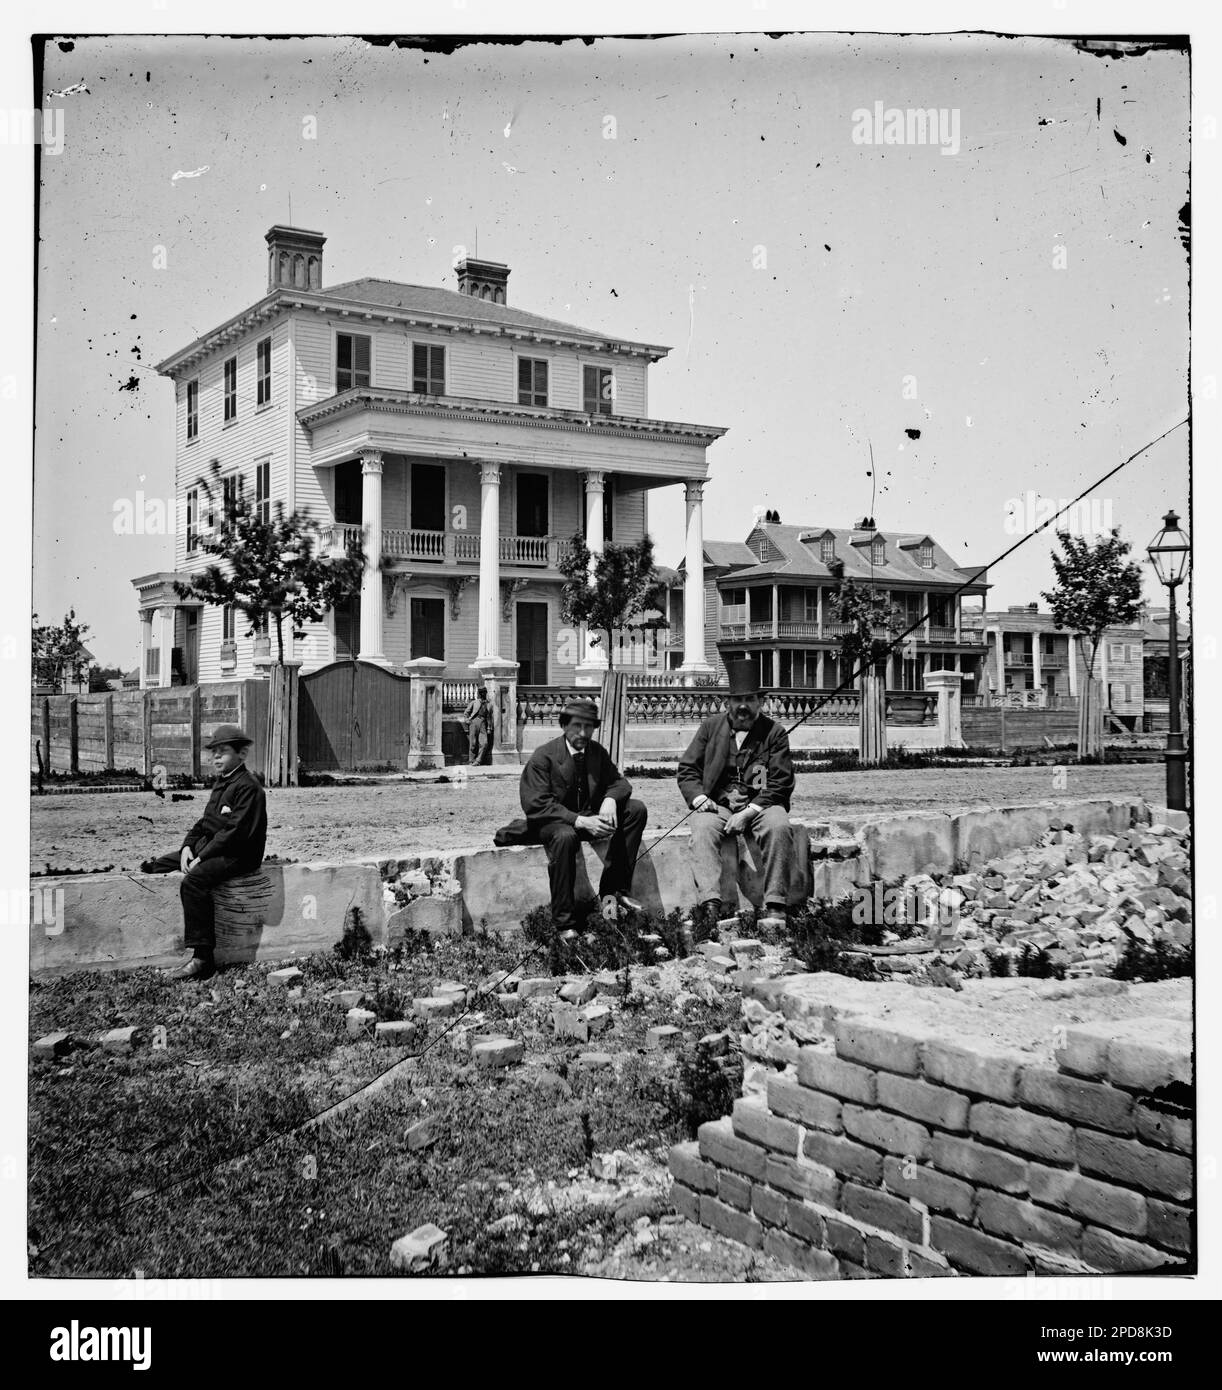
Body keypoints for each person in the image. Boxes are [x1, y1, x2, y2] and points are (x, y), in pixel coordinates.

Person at [677, 660, 796, 935]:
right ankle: (710, 905)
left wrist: (749, 812)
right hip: (718, 805)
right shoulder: (710, 728)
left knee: (779, 826)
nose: (743, 706)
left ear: (759, 702)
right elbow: (687, 769)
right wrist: (698, 799)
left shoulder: (774, 733)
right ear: (727, 703)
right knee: (702, 828)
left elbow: (781, 780)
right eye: (738, 700)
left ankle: (776, 905)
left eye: (749, 699)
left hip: (762, 804)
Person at [141, 724, 268, 981]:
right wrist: (188, 848)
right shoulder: (223, 783)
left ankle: (202, 959)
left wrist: (201, 857)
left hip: (239, 855)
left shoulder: (248, 787)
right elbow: (204, 823)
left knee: (195, 882)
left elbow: (235, 832)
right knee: (158, 865)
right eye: (214, 752)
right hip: (214, 848)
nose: (216, 757)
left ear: (242, 754)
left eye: (223, 752)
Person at [518, 697, 648, 939]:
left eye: (589, 726)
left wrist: (610, 799)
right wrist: (579, 820)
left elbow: (620, 783)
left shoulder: (596, 752)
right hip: (553, 823)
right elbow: (536, 804)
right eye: (577, 725)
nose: (583, 732)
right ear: (564, 725)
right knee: (566, 837)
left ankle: (613, 894)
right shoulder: (543, 757)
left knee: (635, 809)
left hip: (589, 820)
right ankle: (565, 925)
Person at [463, 686, 493, 765]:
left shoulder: (489, 704)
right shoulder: (474, 702)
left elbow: (489, 717)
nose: (483, 694)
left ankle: (478, 760)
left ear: (486, 693)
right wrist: (467, 720)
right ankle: (471, 760)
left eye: (484, 692)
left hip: (483, 723)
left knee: (484, 743)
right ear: (479, 694)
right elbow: (466, 712)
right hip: (474, 721)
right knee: (473, 743)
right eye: (481, 692)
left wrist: (489, 728)